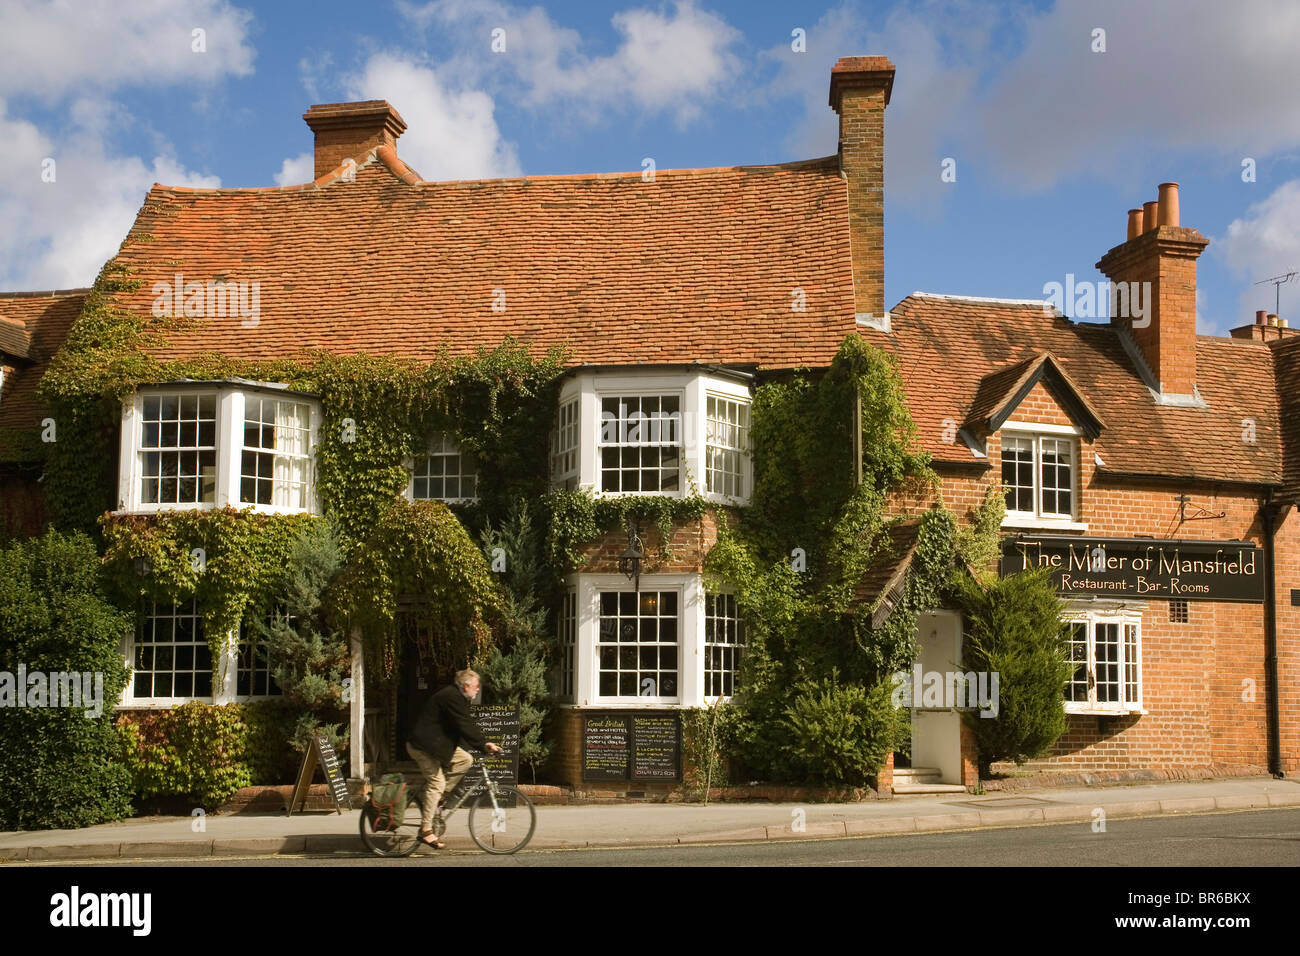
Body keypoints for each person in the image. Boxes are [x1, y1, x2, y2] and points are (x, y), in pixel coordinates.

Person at [406, 668, 502, 848]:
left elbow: (464, 724)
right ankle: (425, 831)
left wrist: (481, 744)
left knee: (465, 759)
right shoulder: (451, 697)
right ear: (465, 686)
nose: (477, 689)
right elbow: (464, 724)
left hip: (437, 745)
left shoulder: (458, 698)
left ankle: (438, 798)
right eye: (475, 686)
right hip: (423, 746)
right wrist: (483, 745)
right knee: (437, 783)